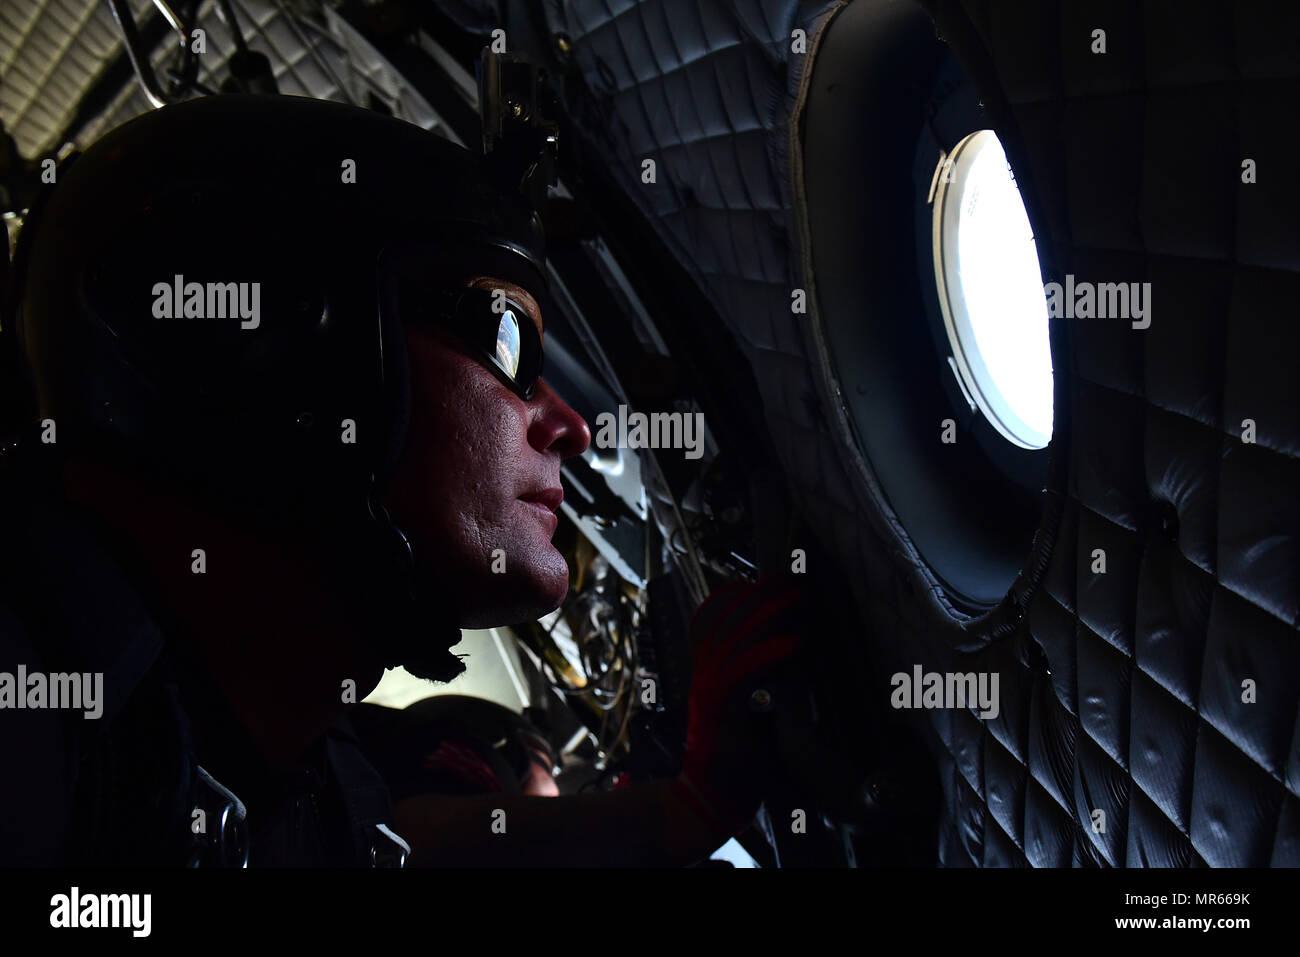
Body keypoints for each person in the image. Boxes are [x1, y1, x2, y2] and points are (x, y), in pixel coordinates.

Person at [0, 94, 807, 867]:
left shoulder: (301, 774)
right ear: (278, 340)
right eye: (510, 340)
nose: (572, 425)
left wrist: (691, 809)